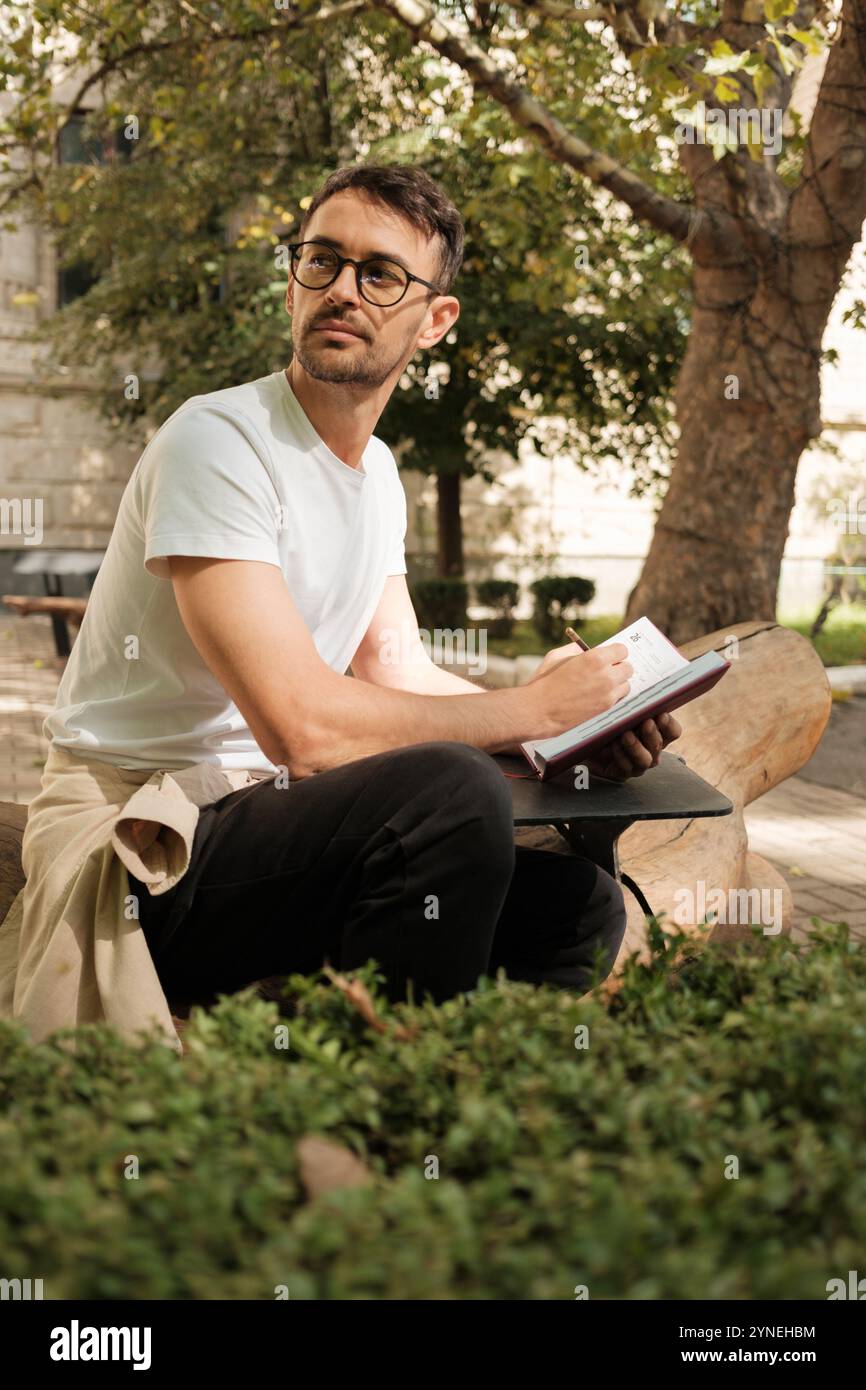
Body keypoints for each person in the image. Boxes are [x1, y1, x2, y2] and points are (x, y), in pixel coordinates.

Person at [1, 164, 682, 1050]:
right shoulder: (219, 440)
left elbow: (397, 668)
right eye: (321, 261)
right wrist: (525, 714)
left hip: (271, 832)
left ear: (436, 319)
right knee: (453, 793)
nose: (343, 291)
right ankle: (377, 1128)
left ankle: (464, 1108)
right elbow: (301, 728)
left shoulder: (379, 477)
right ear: (293, 280)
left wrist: (559, 713)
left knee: (574, 905)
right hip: (148, 845)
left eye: (381, 273)